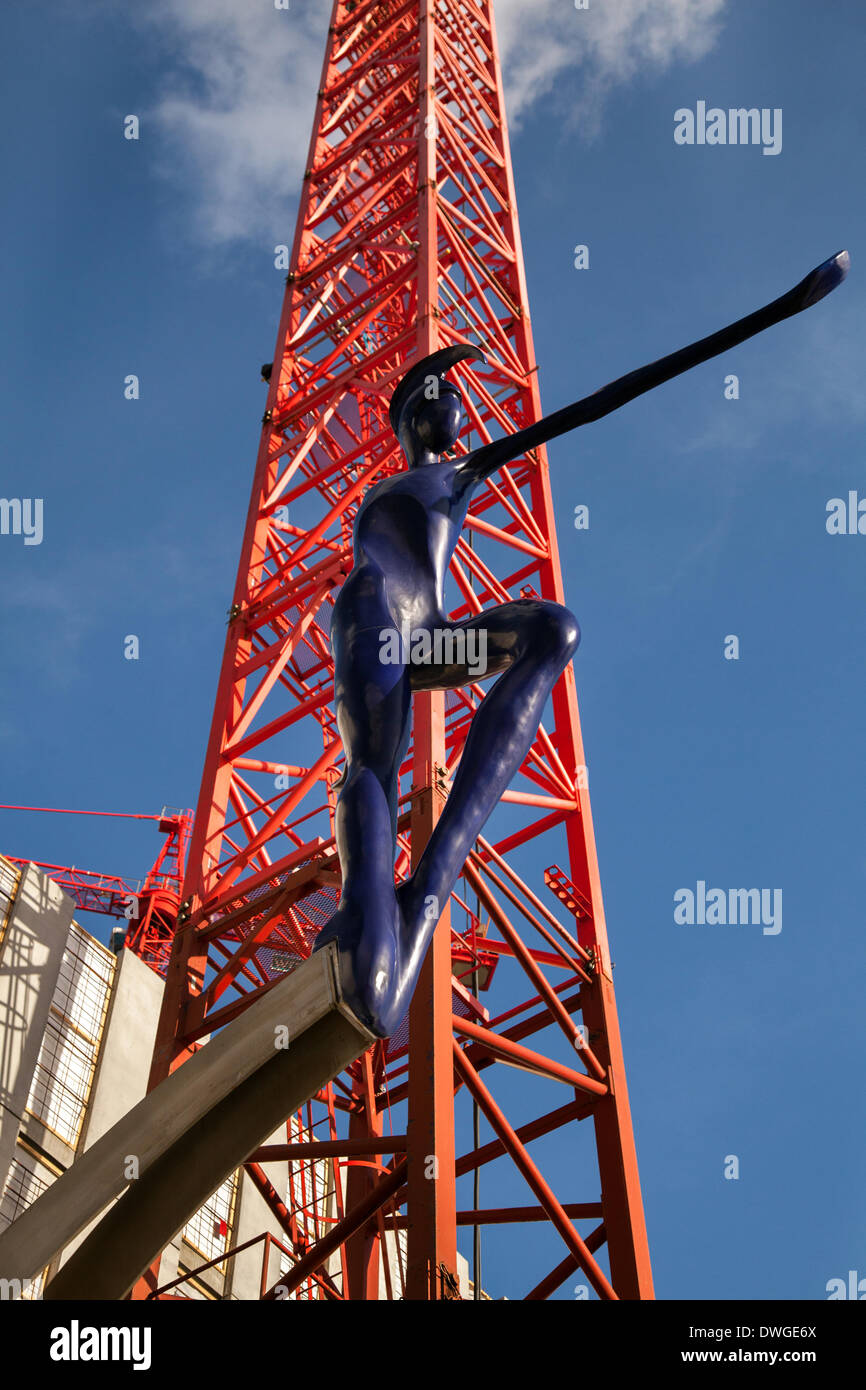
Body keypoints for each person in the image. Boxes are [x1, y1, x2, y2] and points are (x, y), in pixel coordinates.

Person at [314, 251, 848, 1037]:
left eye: (455, 393)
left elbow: (598, 403)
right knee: (374, 770)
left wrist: (771, 315)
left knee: (550, 632)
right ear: (406, 417)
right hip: (373, 618)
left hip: (429, 642)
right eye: (437, 393)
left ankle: (430, 884)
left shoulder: (464, 471)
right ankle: (367, 922)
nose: (454, 404)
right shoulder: (402, 482)